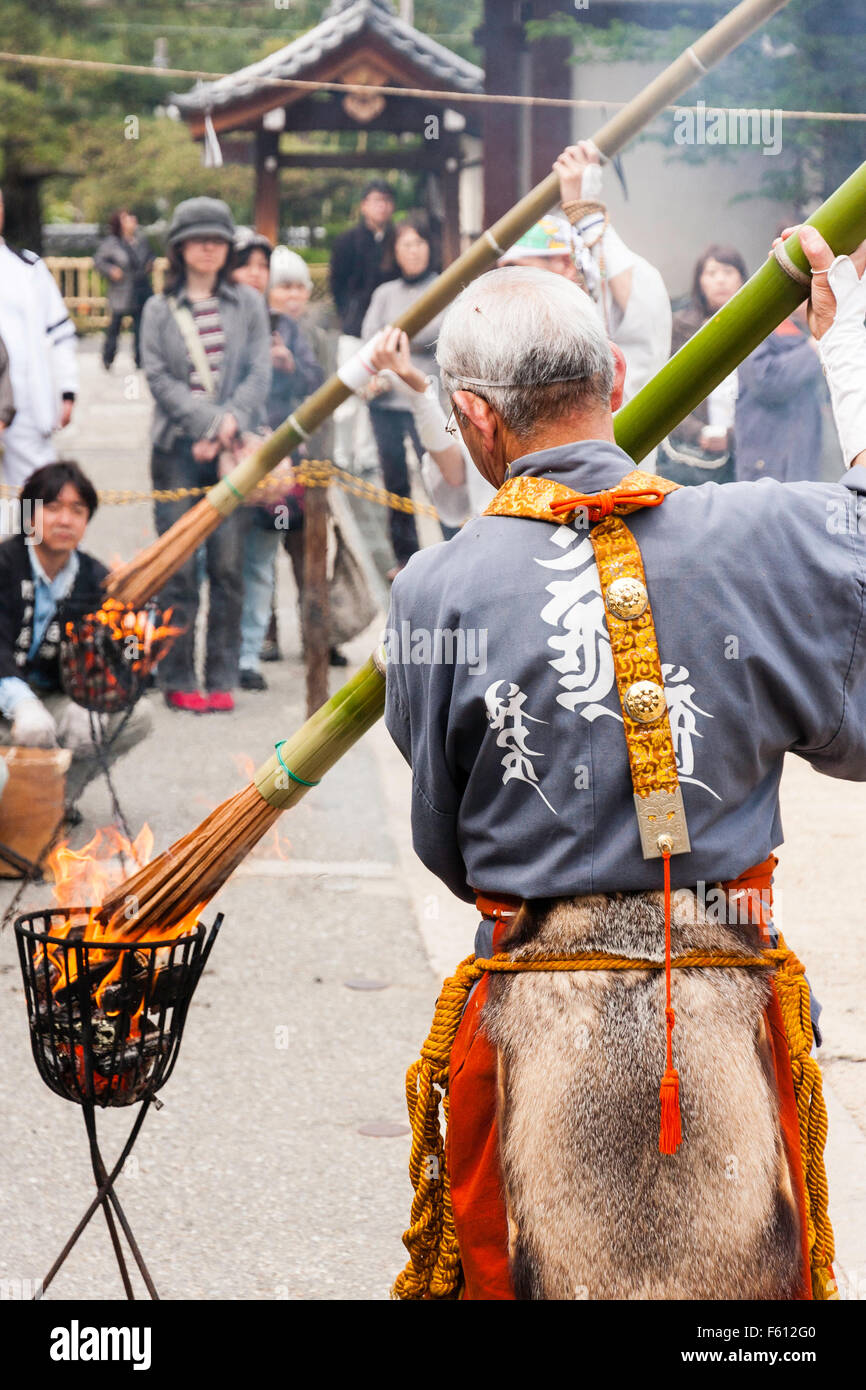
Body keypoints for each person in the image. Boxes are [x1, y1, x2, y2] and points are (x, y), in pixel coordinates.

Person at [383, 244, 866, 1300]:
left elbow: (443, 839)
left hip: (535, 1021)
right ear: (612, 370)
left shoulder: (433, 593)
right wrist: (851, 353)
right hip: (728, 1008)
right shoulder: (762, 533)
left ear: (471, 416)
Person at [140, 197, 271, 714]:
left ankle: (222, 675)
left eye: (217, 240)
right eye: (198, 240)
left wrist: (226, 427)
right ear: (179, 249)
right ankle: (175, 676)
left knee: (229, 565)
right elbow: (157, 377)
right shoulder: (156, 308)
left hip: (232, 452)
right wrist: (207, 423)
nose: (209, 248)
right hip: (175, 449)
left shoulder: (248, 303)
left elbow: (258, 372)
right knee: (176, 566)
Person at [0, 461, 152, 812]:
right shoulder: (5, 564)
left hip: (51, 700)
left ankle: (52, 804)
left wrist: (90, 702)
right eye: (51, 508)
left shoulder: (94, 578)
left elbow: (110, 658)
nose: (64, 520)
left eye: (77, 510)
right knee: (26, 740)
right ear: (29, 516)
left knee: (137, 714)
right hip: (10, 703)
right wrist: (21, 704)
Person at [231, 229, 336, 689]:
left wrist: (289, 362)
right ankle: (261, 639)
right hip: (244, 452)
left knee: (300, 547)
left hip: (292, 457)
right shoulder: (237, 320)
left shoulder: (297, 329)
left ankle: (315, 635)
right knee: (254, 554)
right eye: (282, 285)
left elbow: (318, 381)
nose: (290, 295)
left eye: (297, 286)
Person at [361, 212, 451, 578]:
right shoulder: (384, 294)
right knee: (395, 481)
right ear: (394, 251)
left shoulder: (444, 288)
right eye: (404, 245)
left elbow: (443, 339)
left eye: (418, 243)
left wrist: (398, 341)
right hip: (385, 402)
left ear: (430, 247)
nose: (412, 252)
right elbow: (370, 341)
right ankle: (406, 559)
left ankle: (453, 547)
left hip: (427, 400)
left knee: (440, 475)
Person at [0, 189, 78, 502]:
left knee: (36, 493)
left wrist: (67, 390)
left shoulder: (28, 268)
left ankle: (31, 551)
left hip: (28, 405)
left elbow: (60, 334)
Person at [659, 244, 747, 485]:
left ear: (742, 277)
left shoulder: (758, 325)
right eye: (712, 273)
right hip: (695, 457)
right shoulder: (681, 328)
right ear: (700, 281)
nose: (720, 280)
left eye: (728, 272)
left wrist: (733, 437)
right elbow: (665, 394)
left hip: (749, 453)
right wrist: (697, 432)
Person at [330, 181, 398, 477]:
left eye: (386, 200)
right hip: (354, 328)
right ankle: (342, 455)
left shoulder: (396, 240)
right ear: (363, 205)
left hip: (385, 331)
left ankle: (368, 456)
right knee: (346, 395)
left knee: (376, 396)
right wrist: (347, 313)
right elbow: (337, 283)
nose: (381, 206)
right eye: (375, 200)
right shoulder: (347, 241)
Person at [735, 302, 827, 483]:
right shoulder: (757, 326)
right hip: (769, 464)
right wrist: (813, 349)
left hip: (813, 462)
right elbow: (766, 381)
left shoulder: (822, 331)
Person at [94, 210, 154, 371]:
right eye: (127, 219)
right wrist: (111, 270)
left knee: (141, 326)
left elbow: (150, 256)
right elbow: (99, 261)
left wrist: (149, 265)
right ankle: (108, 357)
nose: (132, 222)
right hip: (121, 290)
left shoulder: (141, 240)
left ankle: (140, 359)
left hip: (140, 288)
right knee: (115, 326)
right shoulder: (112, 243)